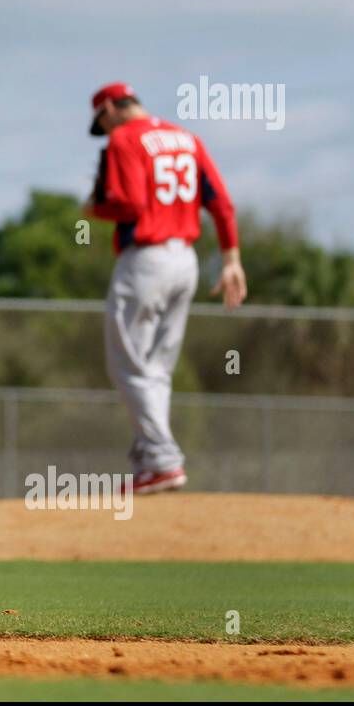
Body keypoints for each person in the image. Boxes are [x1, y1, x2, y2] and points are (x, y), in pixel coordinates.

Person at [83, 82, 247, 493]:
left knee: (127, 364)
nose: (104, 130)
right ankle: (148, 463)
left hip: (146, 261)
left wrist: (93, 209)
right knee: (156, 368)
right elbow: (221, 202)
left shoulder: (125, 139)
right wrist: (231, 259)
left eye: (102, 121)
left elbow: (130, 205)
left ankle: (163, 460)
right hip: (186, 261)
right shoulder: (186, 138)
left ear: (109, 108)